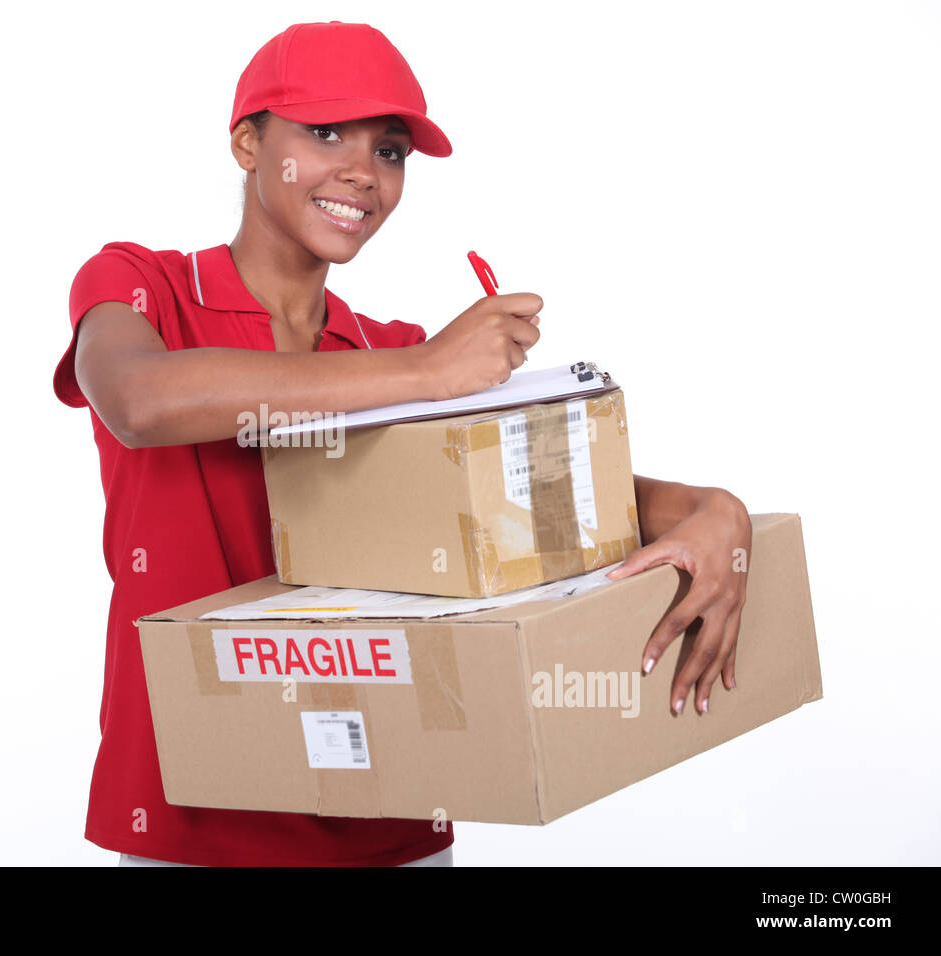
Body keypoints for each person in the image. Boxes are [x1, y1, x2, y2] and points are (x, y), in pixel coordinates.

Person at [52, 21, 751, 867]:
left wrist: (711, 511)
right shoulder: (143, 287)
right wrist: (427, 370)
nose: (361, 170)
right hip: (192, 819)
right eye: (323, 133)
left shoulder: (388, 350)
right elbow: (139, 402)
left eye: (389, 151)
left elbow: (535, 492)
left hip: (389, 810)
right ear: (247, 143)